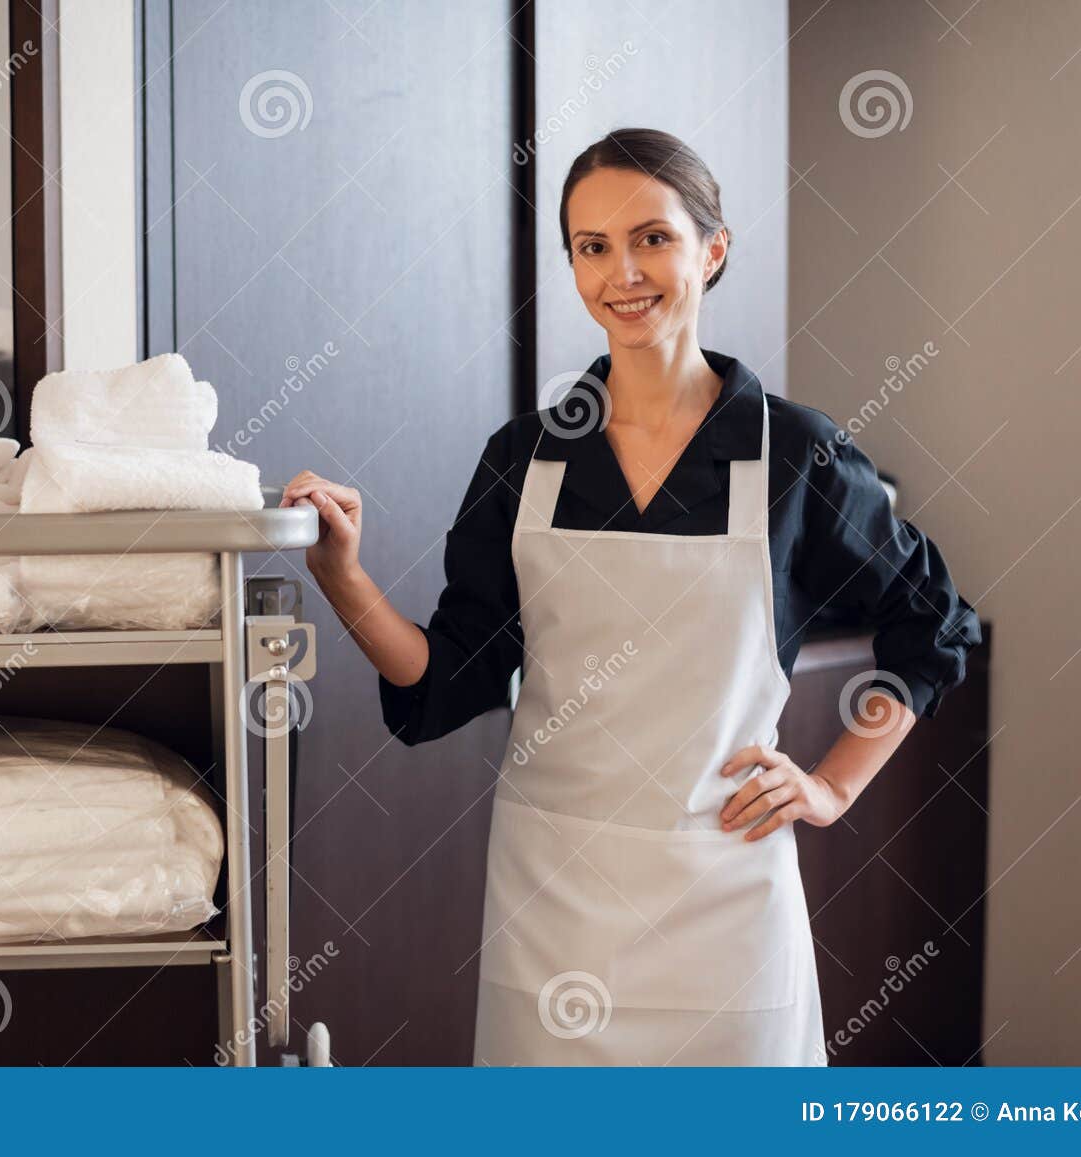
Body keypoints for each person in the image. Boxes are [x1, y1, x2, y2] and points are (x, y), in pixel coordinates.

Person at [281, 127, 981, 1066]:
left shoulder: (792, 450)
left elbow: (930, 622)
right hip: (557, 904)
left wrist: (830, 785)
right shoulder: (525, 456)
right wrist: (343, 576)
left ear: (712, 249)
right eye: (592, 247)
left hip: (729, 897)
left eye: (654, 237)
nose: (625, 272)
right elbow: (449, 677)